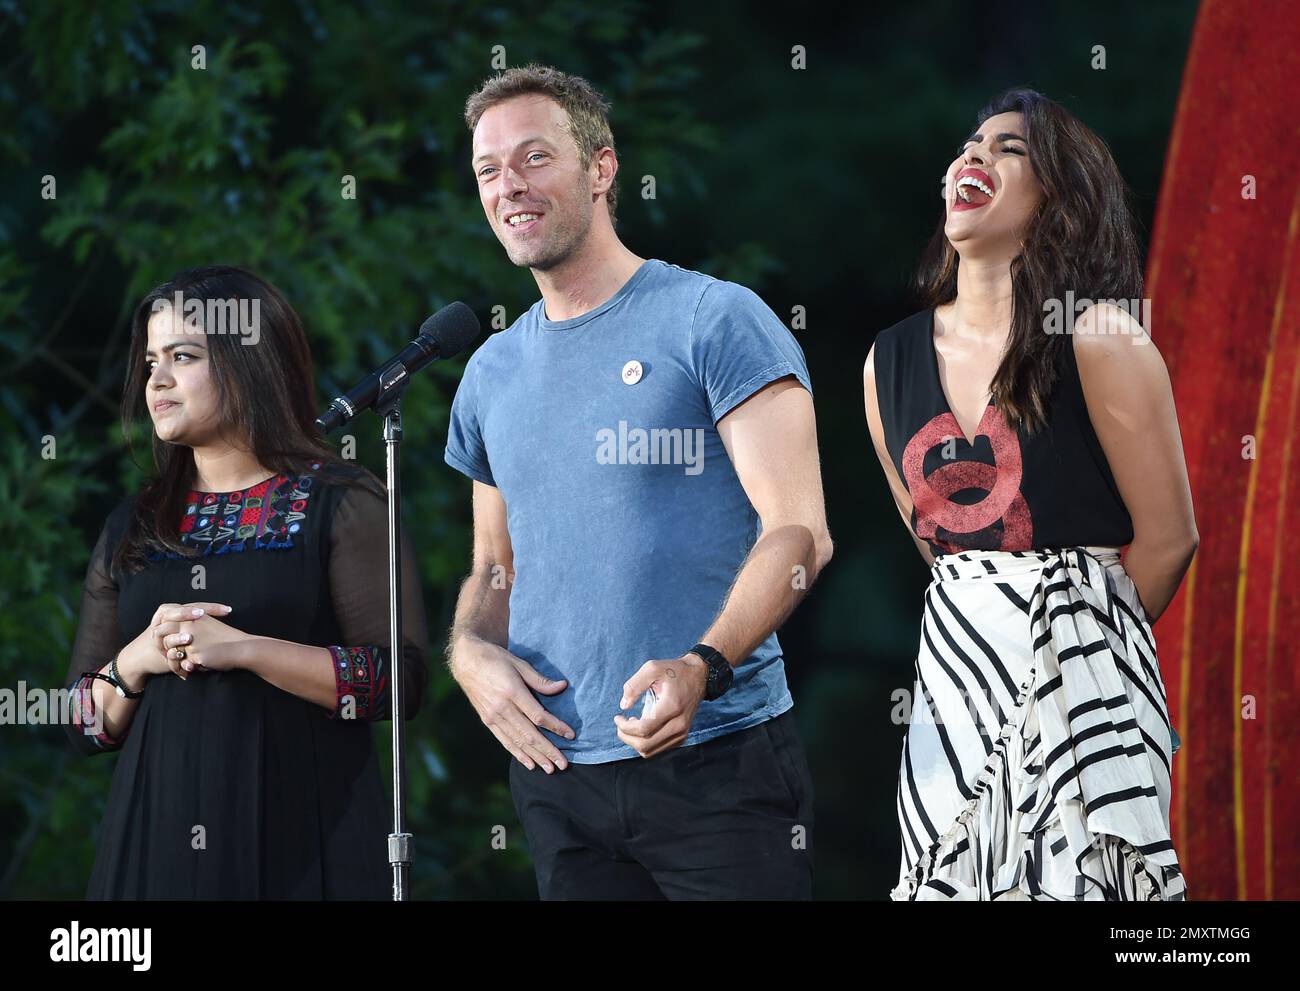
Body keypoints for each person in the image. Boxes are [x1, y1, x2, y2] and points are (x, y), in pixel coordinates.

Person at [444, 65, 832, 899]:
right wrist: (469, 650)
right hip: (556, 780)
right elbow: (492, 566)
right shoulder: (488, 373)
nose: (507, 184)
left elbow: (800, 532)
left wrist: (703, 666)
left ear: (602, 167)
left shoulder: (714, 318)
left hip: (717, 759)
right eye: (487, 169)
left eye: (534, 157)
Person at [865, 88, 1197, 900]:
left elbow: (1168, 538)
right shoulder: (889, 362)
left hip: (1087, 683)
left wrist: (1077, 645)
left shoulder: (1103, 338)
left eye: (1009, 149)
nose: (973, 156)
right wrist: (992, 639)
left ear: (1060, 197)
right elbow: (935, 543)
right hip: (953, 686)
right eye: (969, 143)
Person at [62, 265, 428, 899]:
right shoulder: (136, 524)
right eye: (151, 361)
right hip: (157, 845)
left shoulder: (338, 500)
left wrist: (245, 650)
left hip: (307, 837)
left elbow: (396, 685)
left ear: (245, 360)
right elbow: (82, 722)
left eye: (183, 356)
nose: (158, 380)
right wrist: (139, 659)